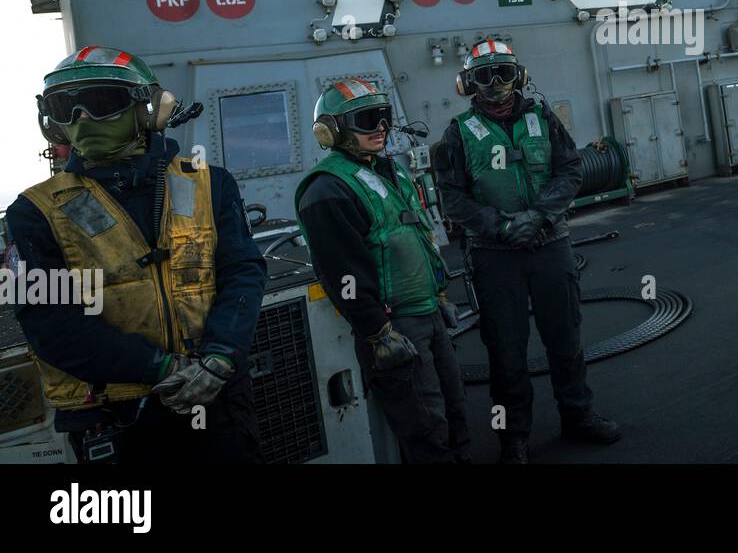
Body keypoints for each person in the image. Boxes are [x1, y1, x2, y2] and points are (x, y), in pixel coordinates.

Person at [8, 46, 266, 462]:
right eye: (64, 108)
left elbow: (243, 273)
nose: (83, 118)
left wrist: (220, 358)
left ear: (148, 110)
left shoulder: (210, 184)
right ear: (50, 123)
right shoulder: (33, 212)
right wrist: (162, 368)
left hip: (215, 400)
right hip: (112, 417)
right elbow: (49, 324)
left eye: (100, 102)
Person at [434, 41, 620, 463]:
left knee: (565, 338)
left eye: (503, 72)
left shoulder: (544, 120)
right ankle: (512, 436)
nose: (496, 84)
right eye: (485, 75)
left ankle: (579, 414)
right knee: (505, 351)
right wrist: (500, 226)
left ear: (518, 76)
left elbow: (569, 170)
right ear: (468, 84)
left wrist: (539, 216)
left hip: (549, 245)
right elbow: (453, 198)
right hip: (493, 255)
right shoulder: (457, 134)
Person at [295, 77, 469, 463]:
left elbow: (416, 235)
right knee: (426, 427)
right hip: (395, 328)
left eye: (384, 117)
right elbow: (342, 275)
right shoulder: (326, 190)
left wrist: (437, 293)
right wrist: (377, 332)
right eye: (366, 119)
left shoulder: (389, 171)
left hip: (427, 314)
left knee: (455, 411)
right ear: (332, 130)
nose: (380, 128)